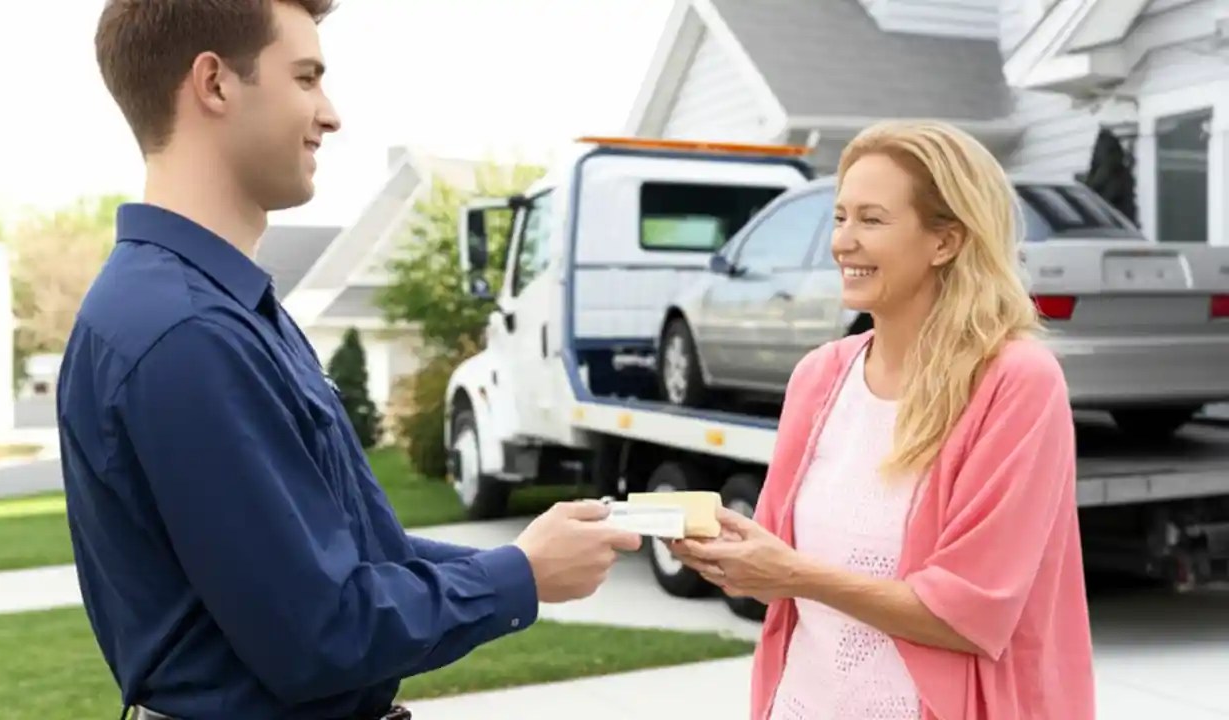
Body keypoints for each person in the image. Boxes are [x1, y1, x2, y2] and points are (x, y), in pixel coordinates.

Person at [58, 2, 641, 719]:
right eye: (306, 78)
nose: (329, 114)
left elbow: (349, 556)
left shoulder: (223, 307)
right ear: (213, 83)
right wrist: (518, 577)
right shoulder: (184, 332)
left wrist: (527, 553)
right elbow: (323, 633)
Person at [669, 120, 1095, 719]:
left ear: (944, 242)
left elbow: (969, 615)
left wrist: (793, 573)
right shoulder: (820, 376)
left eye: (871, 220)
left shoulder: (1015, 383)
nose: (843, 241)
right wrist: (729, 551)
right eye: (840, 217)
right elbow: (770, 578)